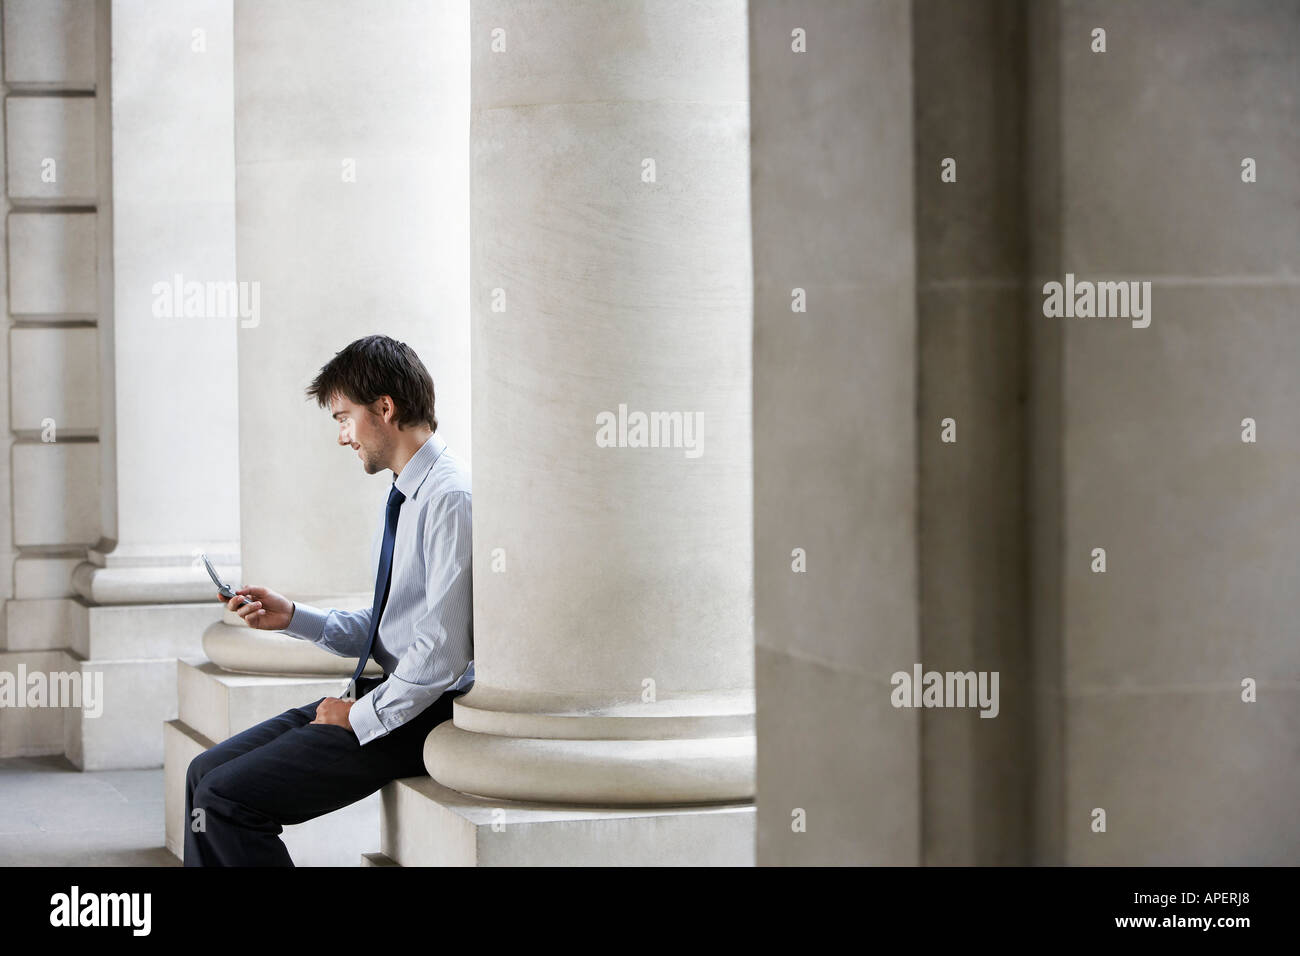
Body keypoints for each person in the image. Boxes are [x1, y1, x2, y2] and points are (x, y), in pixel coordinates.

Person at [184, 334, 473, 866]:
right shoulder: (407, 493)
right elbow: (394, 622)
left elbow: (445, 649)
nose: (343, 437)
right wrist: (293, 617)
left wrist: (360, 716)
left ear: (384, 409)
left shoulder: (449, 497)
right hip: (389, 694)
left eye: (344, 418)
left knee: (224, 799)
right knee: (202, 774)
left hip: (421, 712)